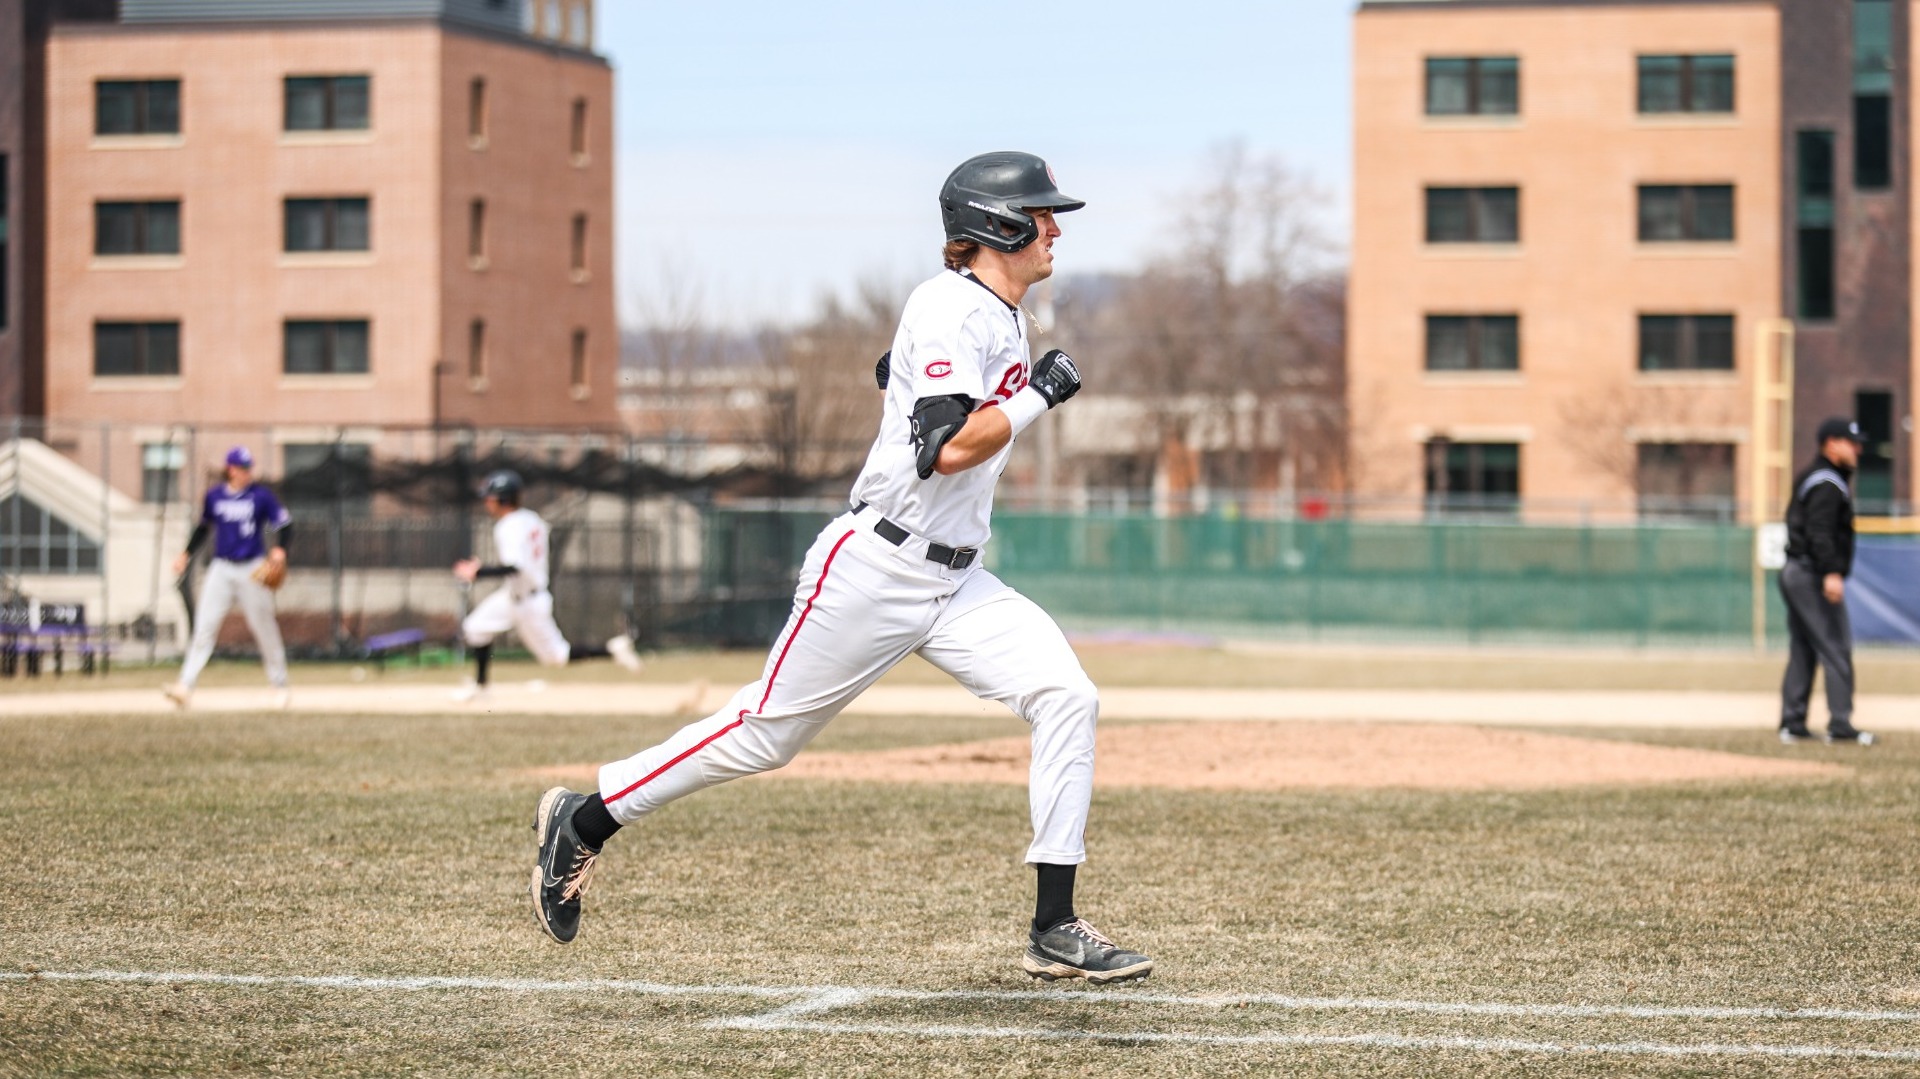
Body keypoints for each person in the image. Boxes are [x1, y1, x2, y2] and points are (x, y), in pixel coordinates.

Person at [526, 151, 1152, 984]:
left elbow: (927, 397)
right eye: (1041, 216)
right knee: (764, 735)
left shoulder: (996, 314)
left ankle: (1054, 924)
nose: (1054, 230)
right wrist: (1037, 394)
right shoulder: (949, 304)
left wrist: (919, 379)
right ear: (996, 225)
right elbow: (944, 450)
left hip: (956, 578)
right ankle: (586, 820)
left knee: (1067, 694)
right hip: (877, 568)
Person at [451, 469, 642, 702]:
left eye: (490, 497)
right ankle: (482, 687)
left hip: (529, 602)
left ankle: (612, 650)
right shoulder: (532, 519)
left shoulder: (509, 525)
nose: (487, 502)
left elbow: (515, 566)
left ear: (503, 498)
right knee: (475, 627)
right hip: (513, 596)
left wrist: (478, 572)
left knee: (557, 657)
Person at [163, 446, 292, 709]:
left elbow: (285, 524)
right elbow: (203, 528)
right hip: (221, 567)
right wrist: (186, 554)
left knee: (264, 626)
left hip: (252, 567)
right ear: (231, 469)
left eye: (249, 468)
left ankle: (279, 685)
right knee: (204, 626)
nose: (247, 472)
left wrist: (280, 549)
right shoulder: (215, 496)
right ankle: (185, 685)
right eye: (243, 468)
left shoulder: (260, 496)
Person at [1779, 417, 1875, 746]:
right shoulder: (1827, 483)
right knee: (1835, 645)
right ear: (1831, 444)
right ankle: (1840, 724)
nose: (1858, 449)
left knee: (1804, 648)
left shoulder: (1818, 477)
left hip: (1798, 570)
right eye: (1852, 442)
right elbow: (1819, 531)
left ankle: (1793, 723)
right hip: (1811, 573)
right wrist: (1831, 572)